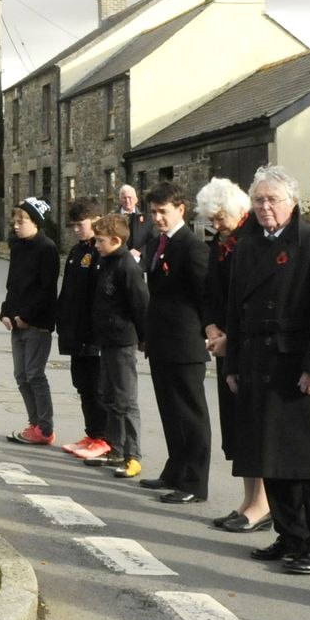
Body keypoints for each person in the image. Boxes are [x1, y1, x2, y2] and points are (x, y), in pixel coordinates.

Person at [224, 165, 310, 576]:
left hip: (296, 366)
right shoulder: (246, 246)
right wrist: (233, 364)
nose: (264, 207)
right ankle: (290, 535)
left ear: (292, 202)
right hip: (257, 364)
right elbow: (235, 312)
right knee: (270, 457)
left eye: (272, 199)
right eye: (258, 200)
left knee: (308, 462)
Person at [197, 178, 269, 532]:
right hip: (225, 342)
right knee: (235, 428)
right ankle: (247, 499)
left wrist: (231, 338)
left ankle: (262, 504)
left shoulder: (251, 241)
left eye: (220, 218)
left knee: (251, 425)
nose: (216, 226)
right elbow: (212, 290)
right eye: (212, 220)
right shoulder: (222, 244)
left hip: (245, 347)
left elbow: (248, 301)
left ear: (238, 211)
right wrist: (211, 326)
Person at [141, 183, 213, 505]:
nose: (157, 218)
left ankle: (194, 482)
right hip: (162, 341)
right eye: (153, 212)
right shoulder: (157, 243)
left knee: (190, 414)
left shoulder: (192, 247)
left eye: (163, 212)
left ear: (180, 210)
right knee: (170, 411)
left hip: (185, 344)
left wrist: (206, 333)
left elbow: (204, 298)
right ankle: (175, 469)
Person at [85, 213, 150, 478]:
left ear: (116, 240)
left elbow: (140, 304)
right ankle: (115, 448)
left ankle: (132, 455)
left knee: (125, 399)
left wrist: (145, 338)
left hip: (122, 341)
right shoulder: (106, 262)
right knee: (110, 396)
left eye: (100, 241)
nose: (96, 245)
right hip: (107, 340)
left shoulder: (127, 266)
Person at [2, 198, 61, 445]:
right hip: (17, 323)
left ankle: (45, 428)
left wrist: (26, 316)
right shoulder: (18, 248)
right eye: (15, 221)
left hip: (37, 324)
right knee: (21, 375)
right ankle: (34, 423)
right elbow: (12, 286)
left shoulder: (47, 249)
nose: (16, 226)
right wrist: (5, 312)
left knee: (35, 374)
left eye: (21, 221)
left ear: (36, 222)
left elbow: (46, 291)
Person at [56, 200, 110, 461]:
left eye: (81, 224)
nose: (76, 229)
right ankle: (92, 433)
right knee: (83, 386)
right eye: (73, 225)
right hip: (76, 332)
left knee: (97, 387)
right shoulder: (78, 252)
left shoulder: (100, 253)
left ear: (96, 220)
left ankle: (104, 437)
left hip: (94, 334)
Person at [117, 184, 155, 255]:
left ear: (136, 199)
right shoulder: (112, 219)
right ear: (120, 200)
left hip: (139, 262)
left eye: (129, 197)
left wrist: (140, 251)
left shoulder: (148, 219)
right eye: (124, 198)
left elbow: (153, 240)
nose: (127, 201)